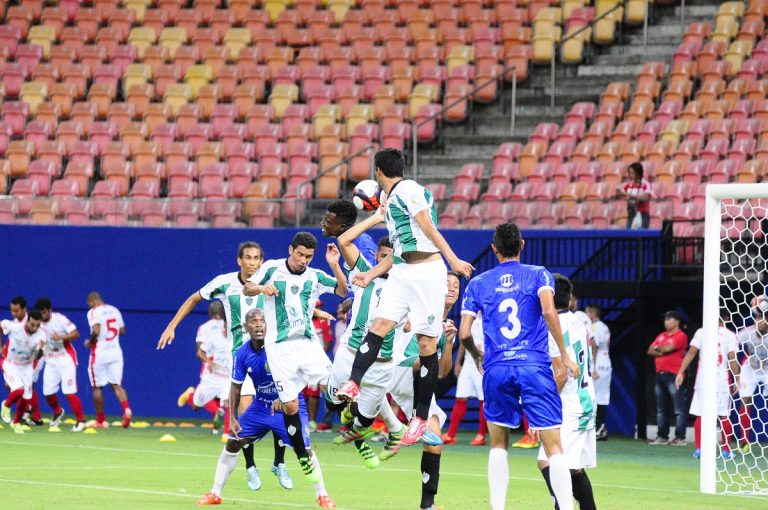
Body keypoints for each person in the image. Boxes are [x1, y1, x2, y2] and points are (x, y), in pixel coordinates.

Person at [336, 148, 474, 446]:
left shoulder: (408, 190)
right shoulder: (389, 200)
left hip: (427, 272)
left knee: (426, 344)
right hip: (401, 271)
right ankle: (353, 383)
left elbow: (428, 226)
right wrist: (370, 275)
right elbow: (397, 250)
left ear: (378, 172)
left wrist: (452, 259)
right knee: (379, 326)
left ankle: (420, 417)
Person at [459, 222, 581, 510]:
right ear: (522, 245)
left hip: (497, 366)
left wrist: (476, 356)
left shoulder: (478, 283)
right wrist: (564, 354)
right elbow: (549, 311)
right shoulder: (539, 274)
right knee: (554, 446)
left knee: (498, 444)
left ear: (494, 249)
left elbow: (464, 333)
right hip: (534, 366)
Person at [158, 242, 289, 490]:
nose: (252, 262)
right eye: (248, 257)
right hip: (241, 357)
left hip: (272, 355)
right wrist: (172, 326)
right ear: (239, 260)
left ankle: (279, 462)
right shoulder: (225, 283)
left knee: (279, 408)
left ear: (262, 261)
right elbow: (193, 298)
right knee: (247, 414)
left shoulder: (271, 282)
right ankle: (250, 467)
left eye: (256, 258)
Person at [196, 308, 336, 508]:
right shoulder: (242, 353)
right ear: (246, 327)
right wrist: (233, 418)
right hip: (260, 406)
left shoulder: (283, 347)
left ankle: (322, 495)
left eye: (262, 320)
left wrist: (284, 395)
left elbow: (304, 374)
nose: (259, 324)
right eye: (254, 321)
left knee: (304, 451)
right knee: (232, 443)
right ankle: (215, 493)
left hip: (289, 406)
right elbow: (236, 387)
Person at [243, 232, 348, 483]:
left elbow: (344, 290)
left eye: (308, 256)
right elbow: (248, 287)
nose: (303, 260)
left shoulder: (315, 276)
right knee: (289, 406)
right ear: (291, 250)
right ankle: (301, 455)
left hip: (308, 343)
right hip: (279, 348)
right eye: (300, 254)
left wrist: (335, 264)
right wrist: (261, 287)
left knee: (335, 388)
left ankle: (356, 432)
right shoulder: (272, 268)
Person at [326, 226, 403, 468]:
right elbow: (344, 241)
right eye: (383, 256)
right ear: (376, 256)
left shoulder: (405, 286)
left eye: (391, 257)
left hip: (381, 363)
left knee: (364, 422)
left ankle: (372, 429)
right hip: (350, 353)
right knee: (332, 402)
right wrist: (377, 218)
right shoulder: (364, 272)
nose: (387, 262)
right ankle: (355, 416)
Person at [381, 272, 459, 510]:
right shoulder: (418, 310)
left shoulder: (445, 328)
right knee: (424, 361)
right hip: (400, 369)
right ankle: (411, 422)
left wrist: (449, 343)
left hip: (420, 387)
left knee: (435, 443)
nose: (451, 288)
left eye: (456, 286)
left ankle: (427, 504)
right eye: (447, 284)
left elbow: (443, 373)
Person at [538, 275, 597, 510]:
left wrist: (543, 407)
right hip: (583, 399)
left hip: (570, 405)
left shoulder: (556, 327)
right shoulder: (576, 320)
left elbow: (561, 374)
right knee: (571, 468)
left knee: (548, 462)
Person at [675, 309, 740, 459]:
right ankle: (726, 451)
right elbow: (732, 358)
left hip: (703, 380)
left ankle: (699, 450)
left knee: (701, 413)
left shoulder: (701, 332)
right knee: (724, 415)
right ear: (727, 318)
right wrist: (737, 378)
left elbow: (692, 352)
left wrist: (680, 372)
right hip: (721, 381)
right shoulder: (730, 335)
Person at [177, 302, 234, 435]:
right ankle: (191, 396)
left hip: (221, 367)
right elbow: (201, 350)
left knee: (227, 400)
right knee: (200, 402)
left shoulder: (204, 327)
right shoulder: (224, 328)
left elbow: (198, 347)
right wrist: (209, 361)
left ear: (210, 313)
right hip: (212, 365)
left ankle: (225, 432)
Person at [35, 298, 87, 432]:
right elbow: (40, 345)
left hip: (66, 358)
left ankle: (81, 421)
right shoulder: (37, 324)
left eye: (45, 312)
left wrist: (61, 337)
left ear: (49, 310)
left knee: (68, 391)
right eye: (40, 313)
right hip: (50, 360)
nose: (43, 315)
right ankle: (58, 412)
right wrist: (37, 353)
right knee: (48, 393)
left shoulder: (60, 319)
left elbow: (76, 333)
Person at [86, 291, 132, 429]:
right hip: (115, 352)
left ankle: (100, 420)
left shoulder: (93, 312)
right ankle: (126, 409)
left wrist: (90, 342)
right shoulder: (114, 310)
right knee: (116, 385)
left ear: (92, 302)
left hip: (100, 353)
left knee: (97, 387)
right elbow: (122, 331)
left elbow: (96, 330)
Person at [442, 310, 487, 446]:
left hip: (483, 362)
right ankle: (451, 435)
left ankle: (481, 435)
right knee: (460, 396)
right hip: (468, 361)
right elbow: (463, 340)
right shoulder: (470, 318)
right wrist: (458, 362)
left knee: (483, 400)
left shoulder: (491, 318)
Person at [0, 309, 46, 433]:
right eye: (32, 325)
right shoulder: (15, 327)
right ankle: (6, 406)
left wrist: (40, 351)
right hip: (11, 363)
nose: (34, 328)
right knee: (19, 389)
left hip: (27, 367)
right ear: (27, 321)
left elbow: (38, 355)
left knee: (26, 397)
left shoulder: (41, 335)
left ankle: (16, 423)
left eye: (37, 326)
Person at [647, 310, 689, 445]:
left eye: (669, 319)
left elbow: (668, 349)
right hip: (660, 374)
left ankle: (680, 437)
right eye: (665, 319)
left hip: (674, 375)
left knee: (678, 409)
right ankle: (662, 436)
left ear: (677, 322)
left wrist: (659, 349)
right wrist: (662, 349)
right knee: (661, 408)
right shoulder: (661, 335)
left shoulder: (681, 335)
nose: (666, 322)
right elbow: (650, 350)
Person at [736, 296, 768, 453]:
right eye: (757, 318)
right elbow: (732, 349)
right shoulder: (745, 333)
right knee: (745, 400)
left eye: (763, 318)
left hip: (767, 369)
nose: (760, 321)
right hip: (750, 367)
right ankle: (744, 441)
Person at [7, 296, 43, 426]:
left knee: (27, 386)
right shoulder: (16, 323)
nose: (14, 313)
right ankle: (25, 411)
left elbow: (40, 345)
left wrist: (38, 352)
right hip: (16, 358)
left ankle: (32, 415)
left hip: (31, 359)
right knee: (13, 386)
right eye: (12, 310)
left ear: (24, 310)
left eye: (16, 311)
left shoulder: (32, 321)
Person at [586, 304, 611, 441]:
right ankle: (601, 428)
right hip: (606, 362)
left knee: (594, 397)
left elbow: (594, 345)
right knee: (602, 397)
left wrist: (594, 367)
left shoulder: (594, 327)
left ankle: (597, 427)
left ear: (591, 313)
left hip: (598, 364)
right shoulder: (605, 326)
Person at [617, 162, 651, 229]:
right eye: (629, 173)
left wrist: (629, 194)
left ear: (638, 173)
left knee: (641, 234)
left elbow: (645, 198)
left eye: (632, 173)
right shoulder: (629, 184)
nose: (630, 175)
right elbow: (619, 192)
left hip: (643, 214)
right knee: (629, 233)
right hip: (631, 213)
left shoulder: (646, 184)